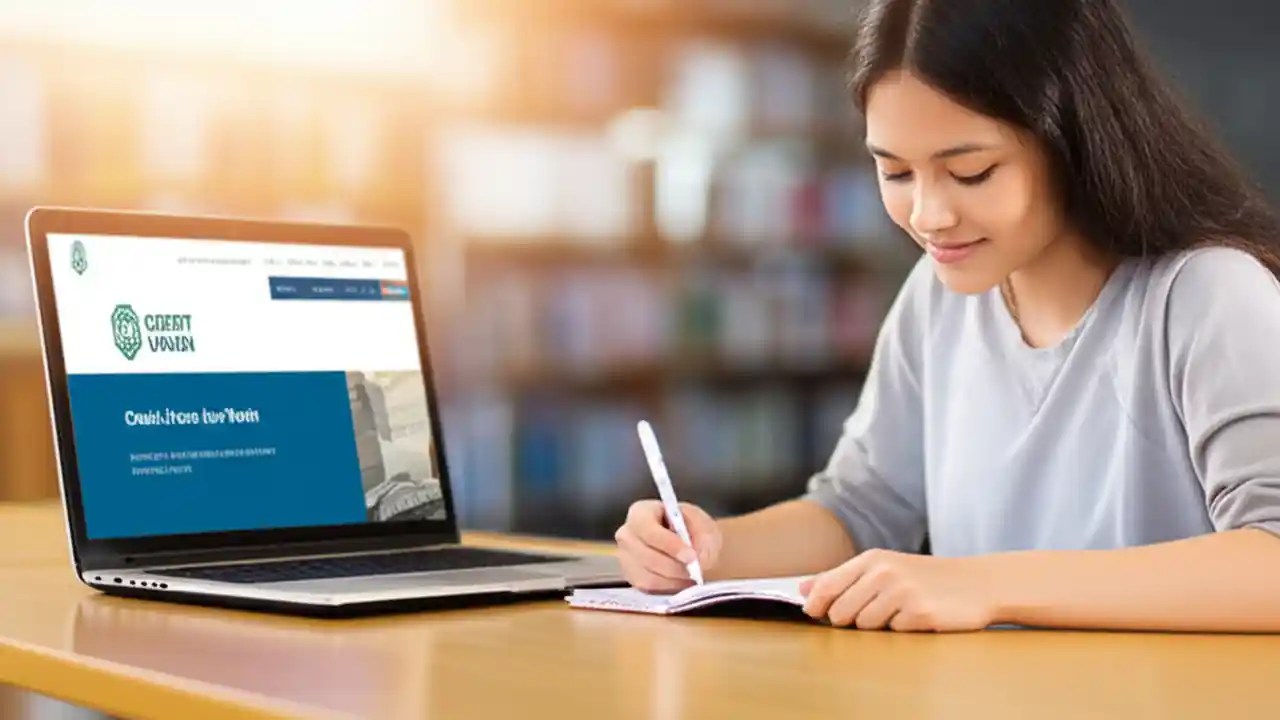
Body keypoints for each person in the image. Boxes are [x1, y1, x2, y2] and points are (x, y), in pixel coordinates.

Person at [614, 0, 1280, 632]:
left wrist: (983, 584)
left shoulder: (1207, 295)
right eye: (896, 174)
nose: (929, 216)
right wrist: (708, 548)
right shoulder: (939, 298)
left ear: (1075, 140)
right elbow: (860, 510)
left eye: (971, 172)